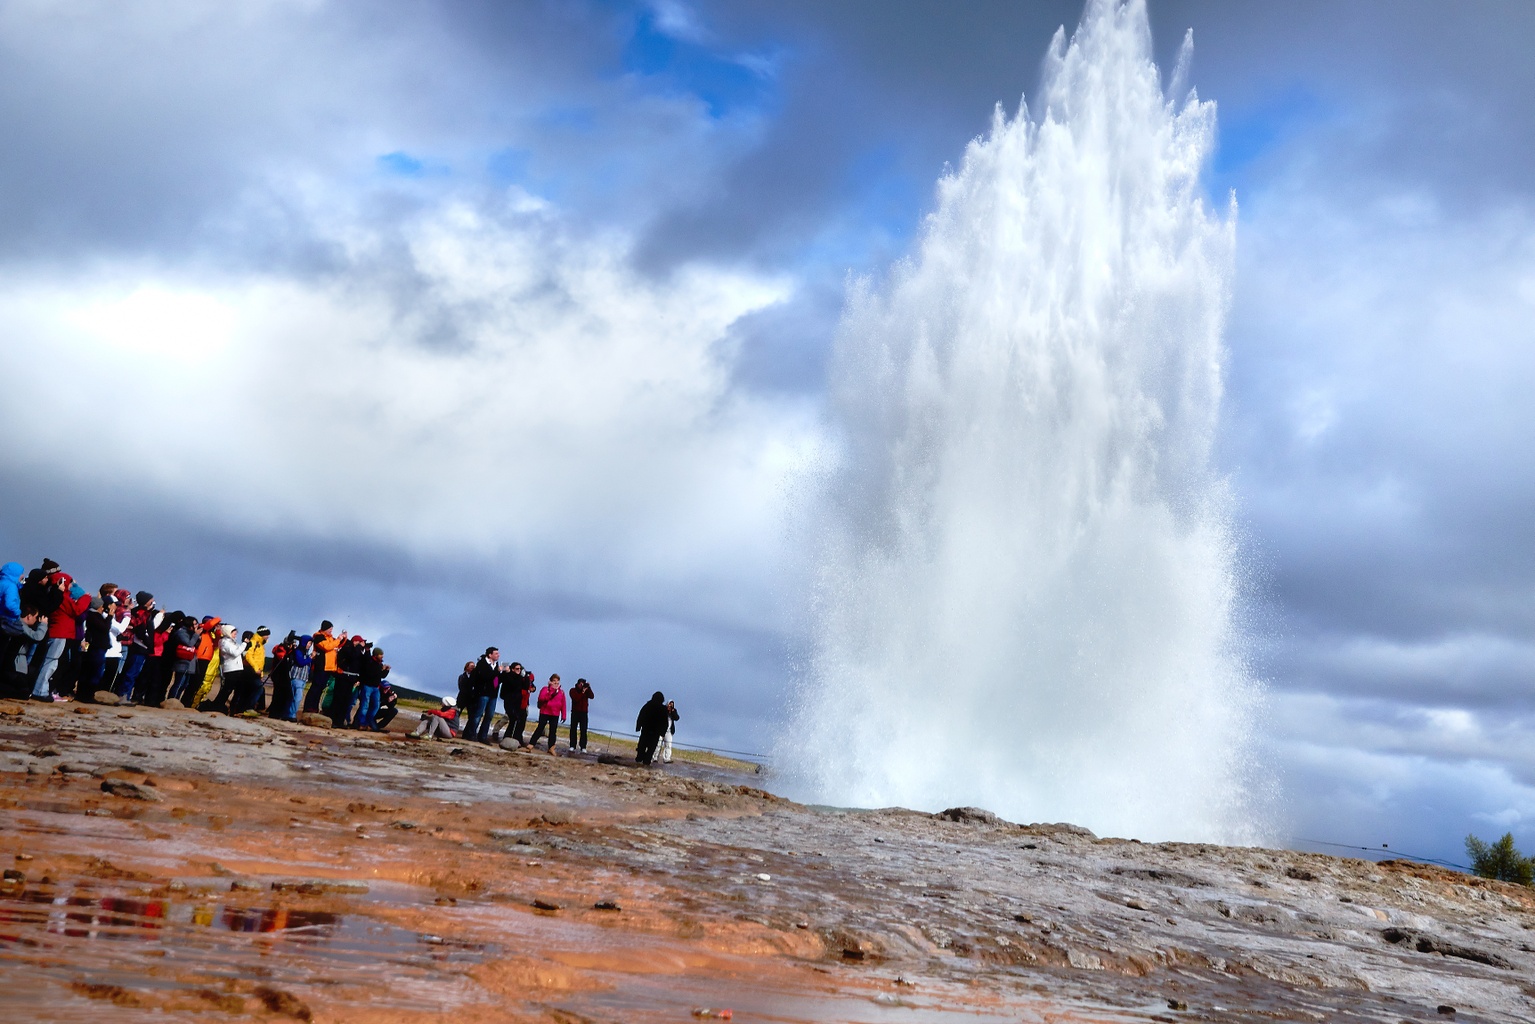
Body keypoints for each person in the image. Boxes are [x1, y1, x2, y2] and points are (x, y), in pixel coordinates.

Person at [33, 571, 89, 701]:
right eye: (69, 583)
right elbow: (76, 610)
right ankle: (40, 690)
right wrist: (85, 598)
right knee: (51, 662)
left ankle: (42, 689)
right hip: (60, 632)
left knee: (51, 661)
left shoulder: (58, 595)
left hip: (59, 631)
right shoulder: (63, 597)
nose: (71, 586)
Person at [304, 621, 342, 714]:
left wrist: (342, 638)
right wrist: (338, 640)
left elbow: (337, 645)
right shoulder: (318, 637)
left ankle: (315, 707)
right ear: (325, 628)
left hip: (328, 668)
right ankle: (308, 707)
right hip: (321, 666)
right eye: (330, 629)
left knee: (321, 688)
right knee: (315, 687)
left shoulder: (330, 638)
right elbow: (327, 647)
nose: (331, 631)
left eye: (332, 629)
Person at [464, 647, 499, 743]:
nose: (498, 655)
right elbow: (485, 677)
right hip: (483, 693)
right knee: (478, 715)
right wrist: (497, 671)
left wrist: (496, 685)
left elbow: (495, 679)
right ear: (490, 655)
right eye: (496, 653)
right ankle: (471, 734)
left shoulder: (496, 665)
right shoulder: (482, 664)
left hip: (493, 695)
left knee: (489, 716)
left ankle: (482, 736)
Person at [330, 634, 364, 727]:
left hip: (351, 679)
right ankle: (333, 720)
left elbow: (361, 663)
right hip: (342, 677)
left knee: (346, 701)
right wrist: (358, 648)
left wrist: (366, 650)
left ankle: (340, 721)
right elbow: (351, 657)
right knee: (338, 699)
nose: (361, 644)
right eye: (360, 642)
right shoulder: (347, 648)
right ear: (355, 641)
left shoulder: (359, 652)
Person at [528, 673, 566, 753]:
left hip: (555, 713)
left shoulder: (561, 692)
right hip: (545, 712)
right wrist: (551, 690)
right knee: (540, 727)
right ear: (550, 681)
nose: (556, 683)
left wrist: (564, 715)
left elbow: (563, 704)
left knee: (553, 731)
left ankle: (551, 747)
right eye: (554, 681)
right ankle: (531, 743)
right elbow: (542, 699)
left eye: (557, 681)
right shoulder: (545, 689)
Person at [355, 647, 388, 730]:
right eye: (381, 655)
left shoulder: (379, 663)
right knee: (365, 705)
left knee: (376, 706)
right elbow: (370, 673)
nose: (382, 656)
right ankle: (361, 723)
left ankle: (367, 722)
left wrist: (386, 670)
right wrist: (381, 669)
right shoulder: (369, 661)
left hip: (376, 687)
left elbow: (381, 676)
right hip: (367, 686)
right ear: (376, 654)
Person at [282, 635, 313, 721]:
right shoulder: (298, 651)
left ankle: (289, 714)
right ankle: (291, 715)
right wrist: (310, 658)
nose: (310, 645)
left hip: (303, 678)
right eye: (309, 643)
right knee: (297, 697)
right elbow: (300, 662)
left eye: (311, 643)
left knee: (295, 697)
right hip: (296, 677)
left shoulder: (305, 653)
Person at [635, 691, 669, 765]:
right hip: (655, 732)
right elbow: (665, 722)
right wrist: (662, 732)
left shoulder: (648, 705)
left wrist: (638, 726)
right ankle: (646, 761)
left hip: (646, 729)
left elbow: (641, 716)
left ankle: (640, 758)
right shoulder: (663, 709)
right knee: (651, 748)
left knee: (642, 745)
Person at [568, 678, 594, 753]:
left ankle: (583, 746)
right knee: (573, 729)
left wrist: (588, 688)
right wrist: (582, 692)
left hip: (584, 713)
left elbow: (592, 696)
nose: (582, 685)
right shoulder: (573, 690)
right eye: (581, 684)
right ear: (578, 684)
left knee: (583, 730)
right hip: (575, 712)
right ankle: (572, 745)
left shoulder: (586, 691)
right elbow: (576, 698)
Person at [660, 699, 680, 763]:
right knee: (658, 744)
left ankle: (667, 758)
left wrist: (672, 712)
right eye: (670, 704)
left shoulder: (673, 711)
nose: (670, 705)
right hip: (661, 730)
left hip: (669, 731)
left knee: (668, 745)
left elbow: (677, 718)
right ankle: (654, 758)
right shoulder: (663, 709)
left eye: (672, 704)